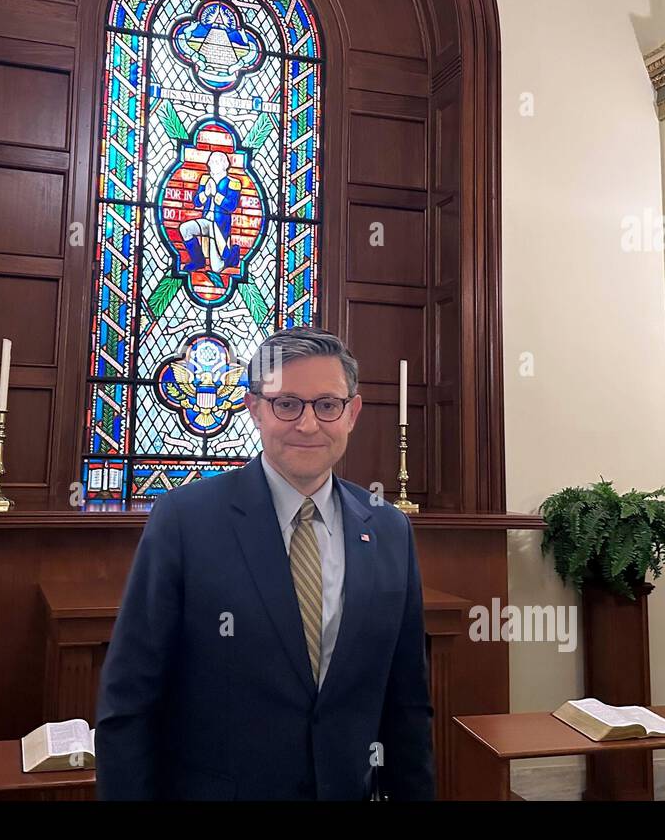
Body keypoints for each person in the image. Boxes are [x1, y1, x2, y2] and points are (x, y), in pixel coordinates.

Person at [95, 327, 435, 800]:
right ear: (255, 408)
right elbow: (129, 702)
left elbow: (408, 707)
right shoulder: (185, 520)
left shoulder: (389, 531)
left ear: (352, 413)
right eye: (287, 403)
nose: (309, 424)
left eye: (327, 405)